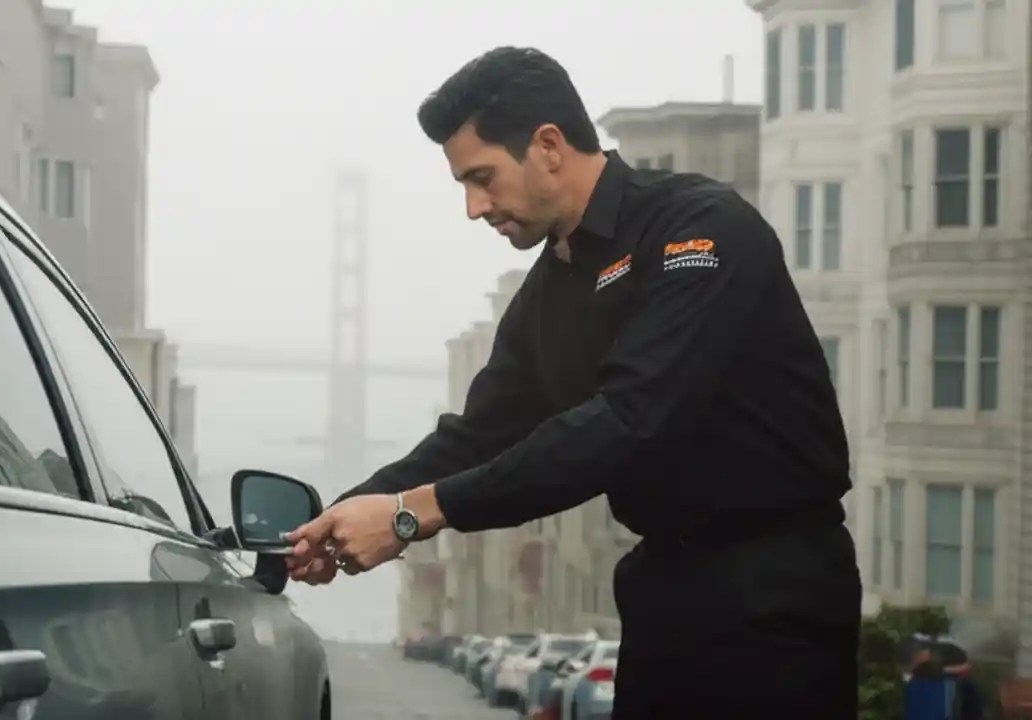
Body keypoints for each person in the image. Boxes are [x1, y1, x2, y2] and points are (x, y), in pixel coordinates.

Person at [285, 46, 861, 717]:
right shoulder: (550, 289)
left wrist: (413, 515)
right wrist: (345, 515)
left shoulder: (699, 229)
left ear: (549, 146)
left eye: (483, 178)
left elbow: (630, 422)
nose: (474, 208)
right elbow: (479, 436)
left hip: (772, 593)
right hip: (660, 594)